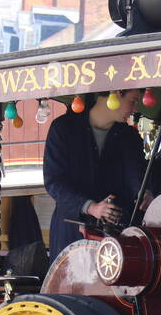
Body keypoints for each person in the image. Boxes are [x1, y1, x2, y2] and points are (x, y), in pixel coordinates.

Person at [43, 89, 146, 259]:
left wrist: (144, 192)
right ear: (116, 93)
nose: (135, 108)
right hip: (71, 232)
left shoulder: (129, 136)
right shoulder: (63, 128)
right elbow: (54, 182)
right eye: (133, 101)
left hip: (115, 232)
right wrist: (90, 207)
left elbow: (135, 175)